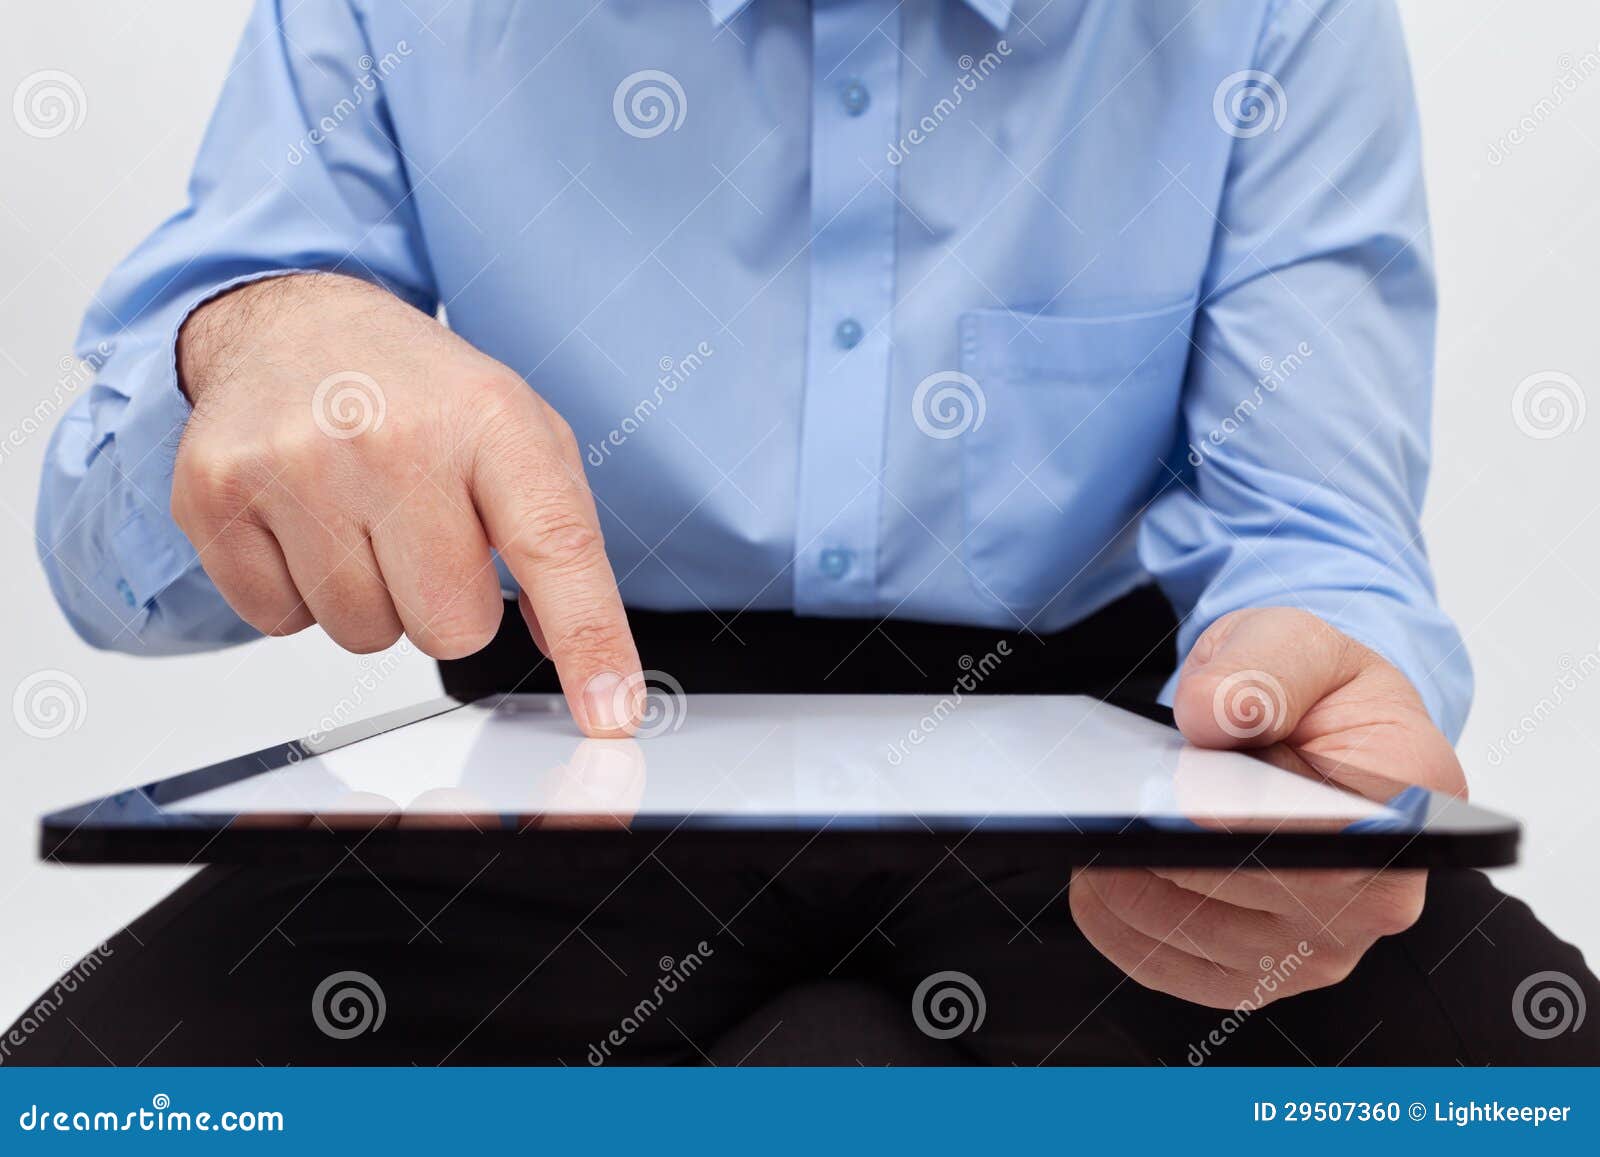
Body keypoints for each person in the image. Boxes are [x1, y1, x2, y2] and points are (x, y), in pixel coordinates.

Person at [17, 0, 1597, 1064]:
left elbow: (1318, 536)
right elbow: (109, 559)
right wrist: (247, 343)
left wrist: (1327, 712)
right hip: (551, 775)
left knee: (1538, 1069)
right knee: (84, 1088)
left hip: (1118, 803)